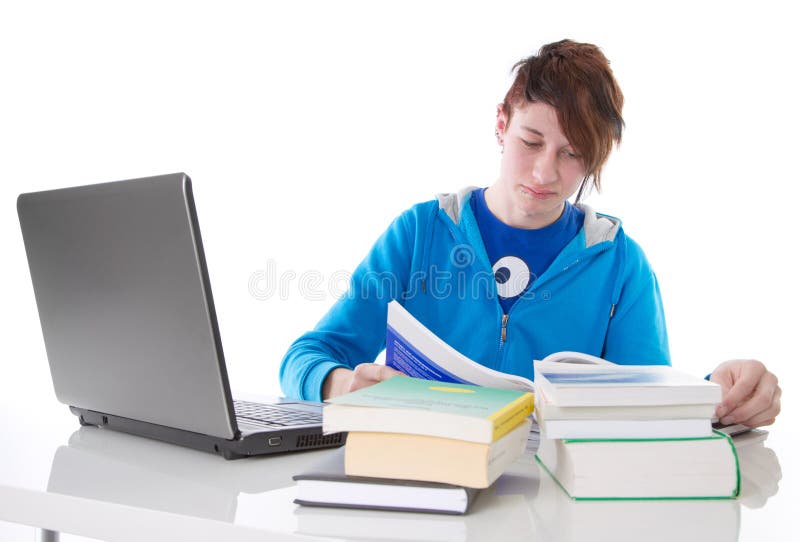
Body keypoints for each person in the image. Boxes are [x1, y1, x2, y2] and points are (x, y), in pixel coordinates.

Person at [279, 40, 780, 428]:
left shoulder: (620, 264)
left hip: (551, 507)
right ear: (501, 122)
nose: (544, 173)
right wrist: (340, 386)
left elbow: (648, 403)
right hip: (426, 488)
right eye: (531, 141)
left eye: (572, 153)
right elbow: (305, 357)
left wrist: (721, 392)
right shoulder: (420, 233)